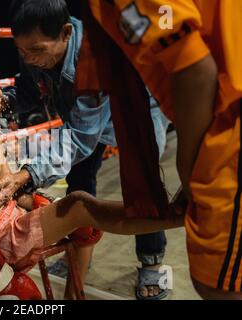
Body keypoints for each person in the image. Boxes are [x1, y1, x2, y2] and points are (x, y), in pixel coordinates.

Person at [0, 50, 183, 300]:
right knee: (80, 206)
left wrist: (36, 202)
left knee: (84, 222)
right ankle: (173, 215)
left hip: (13, 222)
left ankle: (71, 297)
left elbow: (7, 189)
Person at [0, 0, 171, 299]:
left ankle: (153, 263)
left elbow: (80, 140)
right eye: (22, 51)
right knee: (79, 183)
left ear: (65, 33)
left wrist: (27, 174)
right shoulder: (34, 47)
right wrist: (2, 102)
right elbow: (30, 87)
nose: (28, 58)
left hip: (137, 107)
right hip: (86, 117)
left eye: (35, 51)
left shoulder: (95, 59)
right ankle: (79, 252)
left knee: (142, 186)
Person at [74, 0, 242, 300]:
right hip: (218, 106)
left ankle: (151, 261)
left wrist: (190, 172)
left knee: (218, 283)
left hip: (229, 117)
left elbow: (195, 69)